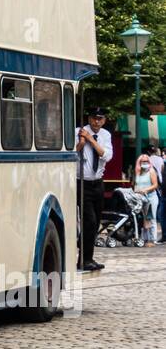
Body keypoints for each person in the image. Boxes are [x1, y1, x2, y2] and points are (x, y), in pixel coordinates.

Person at [75, 108, 113, 272]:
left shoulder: (105, 135)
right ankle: (83, 259)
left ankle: (87, 258)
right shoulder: (78, 132)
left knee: (95, 221)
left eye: (100, 118)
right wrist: (82, 143)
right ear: (89, 119)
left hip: (98, 183)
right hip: (81, 182)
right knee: (88, 220)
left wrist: (91, 140)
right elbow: (70, 153)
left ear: (104, 120)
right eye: (94, 118)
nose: (97, 121)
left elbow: (106, 156)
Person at [134, 153, 159, 245]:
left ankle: (152, 239)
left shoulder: (151, 171)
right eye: (142, 161)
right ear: (139, 162)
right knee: (143, 219)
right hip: (140, 197)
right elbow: (136, 184)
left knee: (151, 218)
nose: (145, 163)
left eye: (146, 161)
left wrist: (145, 190)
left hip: (151, 197)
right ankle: (144, 239)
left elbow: (155, 185)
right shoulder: (138, 171)